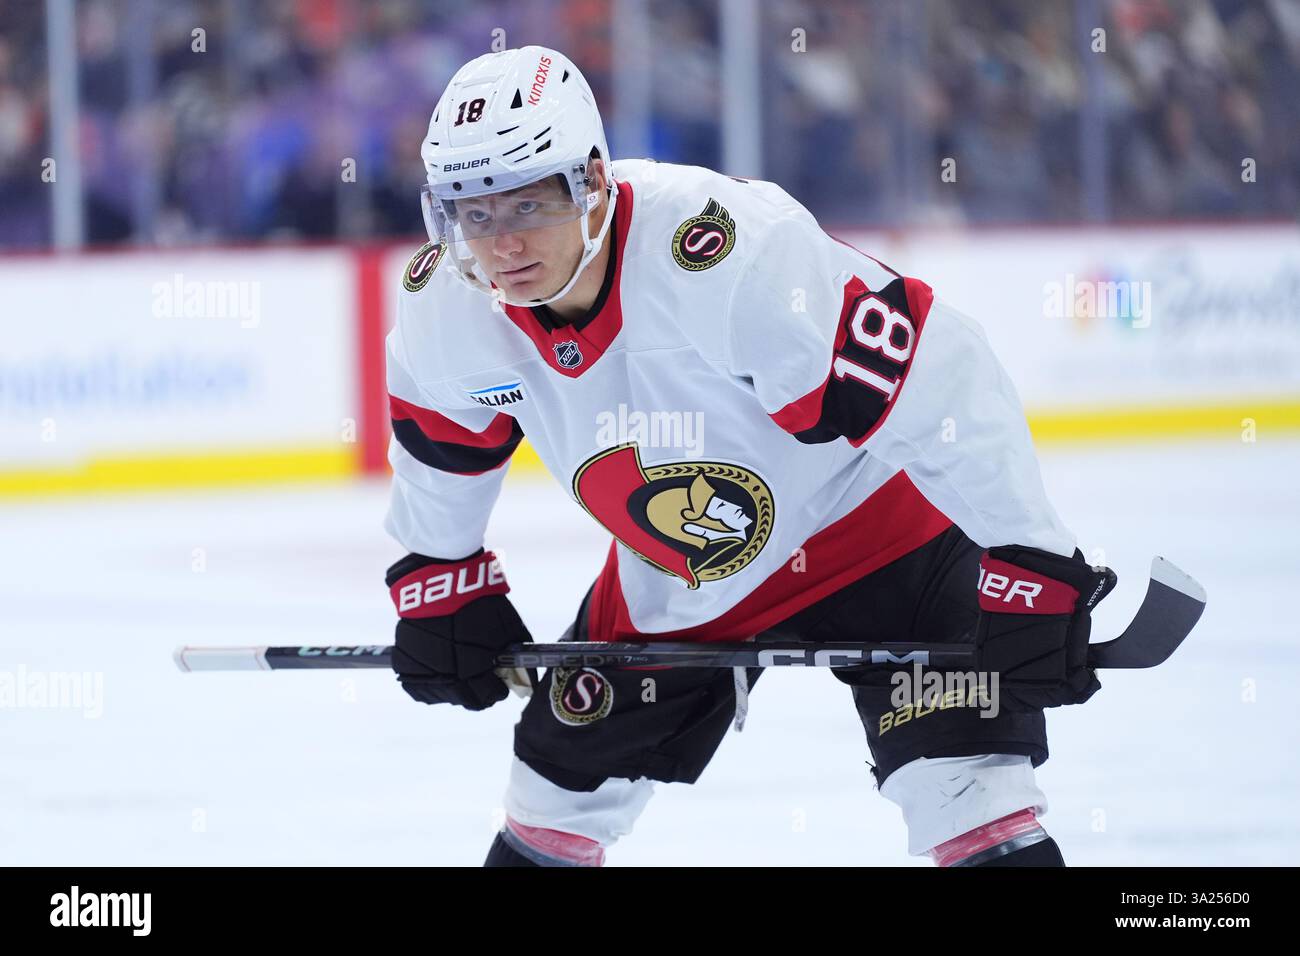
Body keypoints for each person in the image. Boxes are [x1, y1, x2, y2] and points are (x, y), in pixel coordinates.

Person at [383, 45, 1115, 867]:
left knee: (970, 794)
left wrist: (1030, 556)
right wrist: (441, 582)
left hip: (885, 532)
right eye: (473, 215)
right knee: (552, 795)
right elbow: (437, 442)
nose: (502, 245)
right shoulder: (444, 304)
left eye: (527, 205)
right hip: (683, 574)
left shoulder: (725, 253)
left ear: (591, 179)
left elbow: (940, 374)